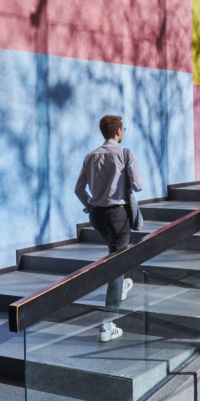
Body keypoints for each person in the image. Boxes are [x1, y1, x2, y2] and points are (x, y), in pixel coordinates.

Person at [75, 114, 143, 342]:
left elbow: (79, 189)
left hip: (97, 216)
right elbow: (138, 185)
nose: (124, 132)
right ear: (118, 131)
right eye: (123, 129)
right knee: (117, 262)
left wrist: (90, 205)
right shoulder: (125, 154)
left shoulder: (90, 156)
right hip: (118, 215)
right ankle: (107, 325)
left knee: (114, 252)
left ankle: (121, 285)